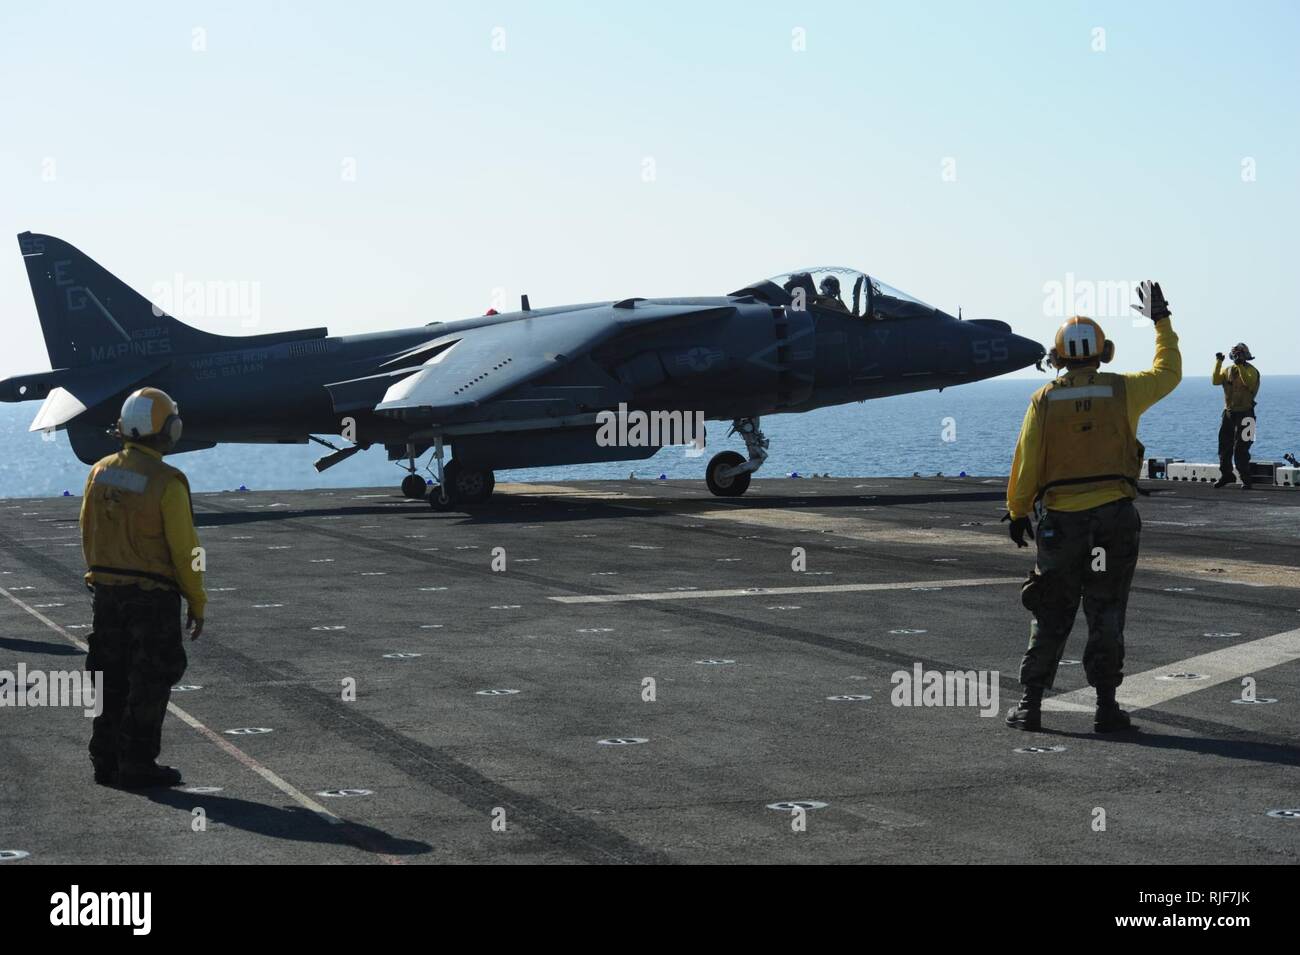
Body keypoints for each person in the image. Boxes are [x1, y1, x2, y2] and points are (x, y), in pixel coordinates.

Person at [1002, 281, 1181, 733]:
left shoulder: (1043, 400)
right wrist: (1161, 320)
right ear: (1103, 353)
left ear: (1058, 356)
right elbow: (1169, 371)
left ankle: (1030, 704)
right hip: (1113, 521)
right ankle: (1106, 707)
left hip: (1061, 524)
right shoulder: (1123, 391)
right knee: (1106, 609)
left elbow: (1025, 459)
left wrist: (1018, 509)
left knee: (1051, 610)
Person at [80, 387, 206, 787]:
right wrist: (197, 599)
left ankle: (105, 759)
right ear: (168, 430)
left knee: (109, 674)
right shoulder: (167, 481)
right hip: (152, 597)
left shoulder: (99, 470)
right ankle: (136, 761)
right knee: (152, 676)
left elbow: (88, 529)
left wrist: (99, 576)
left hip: (107, 592)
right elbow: (186, 549)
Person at [1212, 343, 1260, 489]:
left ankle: (1246, 479)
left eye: (1240, 354)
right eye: (1235, 354)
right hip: (1229, 413)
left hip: (1247, 415)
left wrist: (1239, 366)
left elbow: (1249, 383)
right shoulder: (1228, 370)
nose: (1237, 357)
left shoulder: (1253, 371)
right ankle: (1226, 475)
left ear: (1246, 356)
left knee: (1242, 448)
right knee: (1224, 446)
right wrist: (1218, 362)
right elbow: (1215, 381)